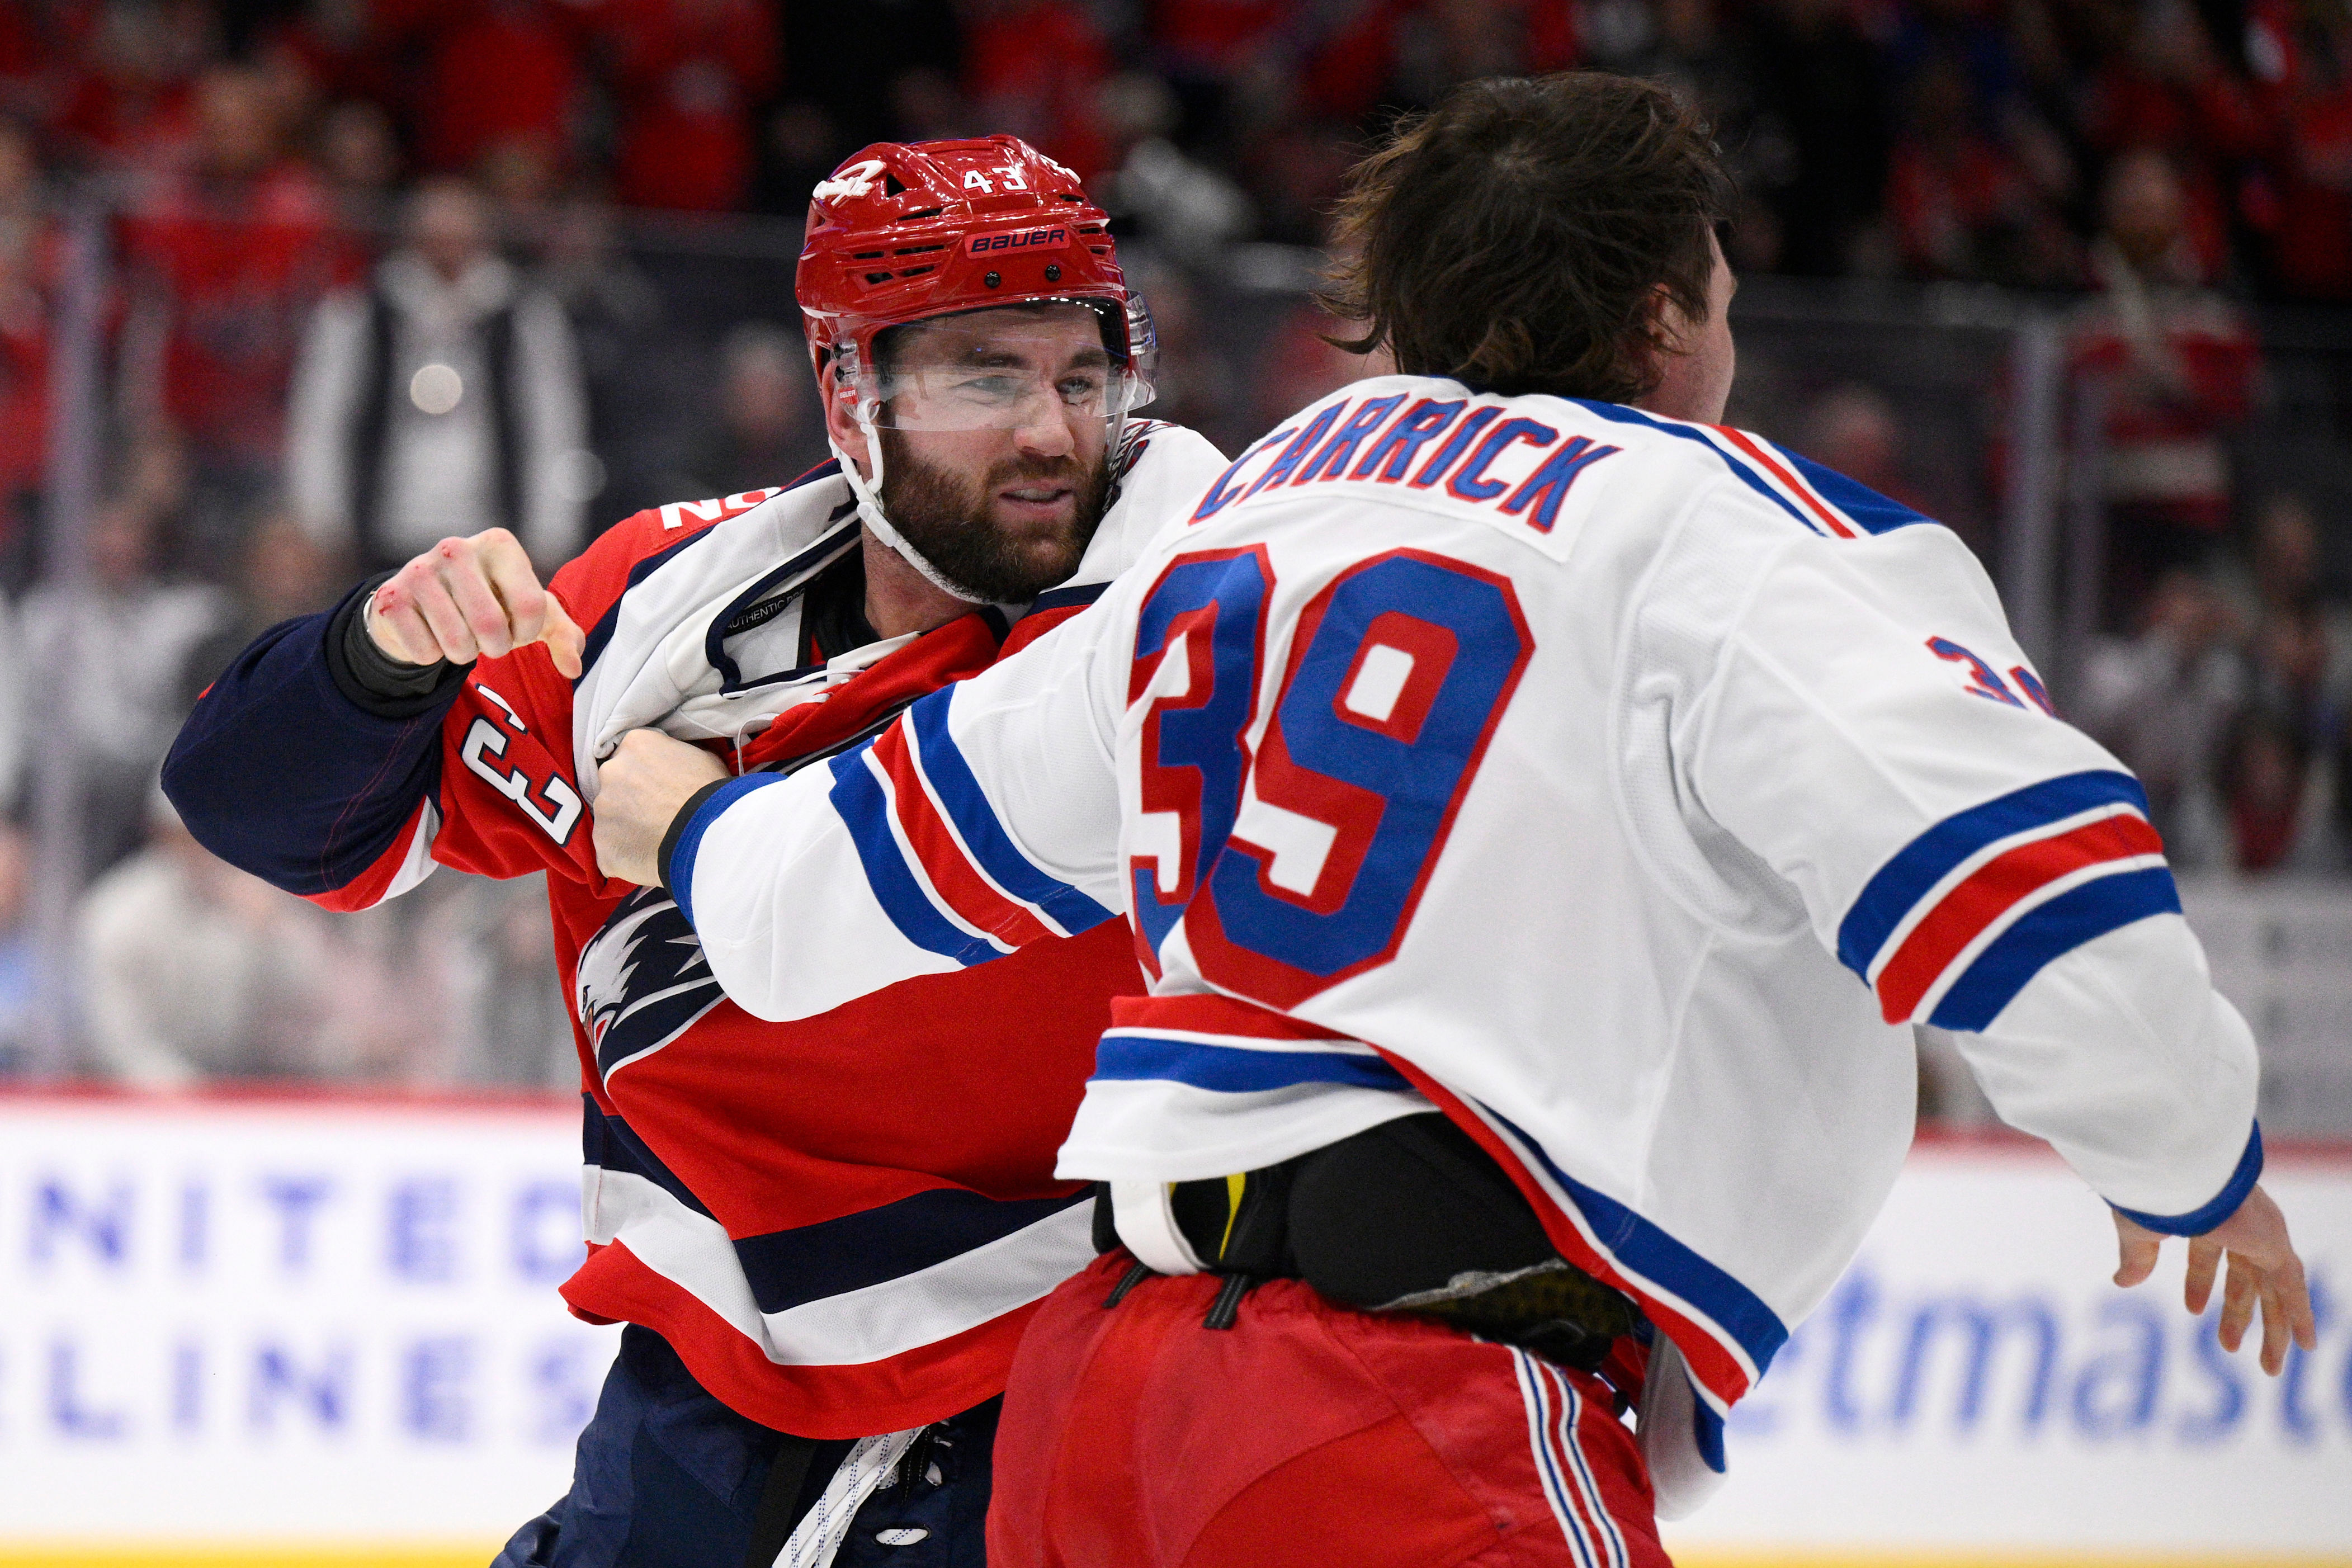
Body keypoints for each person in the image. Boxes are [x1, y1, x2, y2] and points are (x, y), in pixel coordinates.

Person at [601, 74, 2319, 1566]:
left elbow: (847, 883)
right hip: (1406, 1414)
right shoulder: (1726, 534)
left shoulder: (1257, 512)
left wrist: (687, 821)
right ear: (1663, 316)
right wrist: (2185, 1158)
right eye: (1720, 292)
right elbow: (2025, 872)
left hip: (1097, 1410)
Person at [164, 136, 1229, 1568]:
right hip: (702, 1397)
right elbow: (252, 808)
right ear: (847, 394)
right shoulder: (655, 620)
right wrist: (376, 655)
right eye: (986, 377)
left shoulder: (1194, 631)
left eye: (1079, 377)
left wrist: (692, 827)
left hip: (1059, 1376)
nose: (1051, 429)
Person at [285, 176, 589, 574]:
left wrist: (552, 529)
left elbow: (553, 425)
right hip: (380, 528)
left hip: (490, 528)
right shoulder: (357, 312)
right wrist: (321, 520)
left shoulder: (527, 319)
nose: (449, 238)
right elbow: (321, 420)